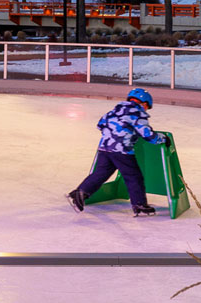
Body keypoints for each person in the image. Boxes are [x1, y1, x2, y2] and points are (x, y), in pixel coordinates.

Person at [67, 87, 166, 217]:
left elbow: (100, 124)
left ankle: (81, 191)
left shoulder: (114, 110)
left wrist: (112, 135)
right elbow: (147, 135)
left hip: (104, 147)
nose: (146, 109)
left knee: (102, 173)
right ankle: (139, 204)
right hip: (122, 150)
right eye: (147, 107)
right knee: (133, 176)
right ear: (144, 103)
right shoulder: (137, 113)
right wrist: (163, 139)